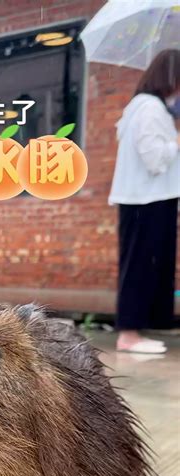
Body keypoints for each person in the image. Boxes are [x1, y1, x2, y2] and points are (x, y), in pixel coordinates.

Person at [109, 49, 180, 354]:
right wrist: (176, 141)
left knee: (148, 264)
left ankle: (142, 327)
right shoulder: (149, 109)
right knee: (140, 265)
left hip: (148, 198)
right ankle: (129, 335)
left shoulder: (145, 108)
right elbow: (154, 159)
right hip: (146, 199)